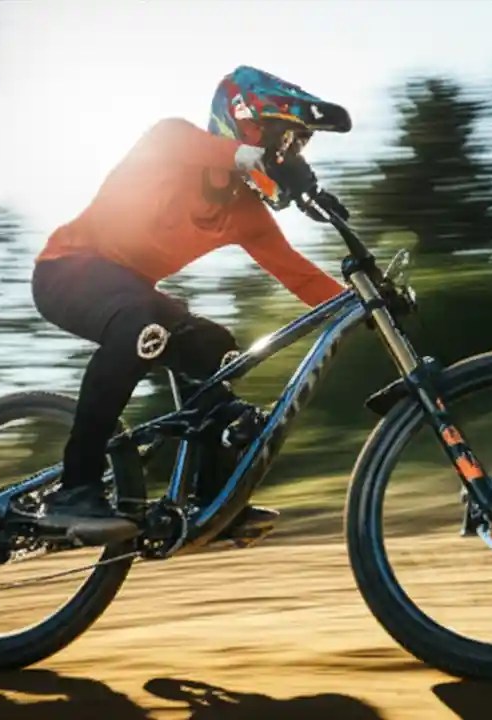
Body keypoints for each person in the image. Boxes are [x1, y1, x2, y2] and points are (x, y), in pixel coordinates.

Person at [30, 66, 352, 540]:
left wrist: (363, 302)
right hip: (67, 270)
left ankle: (213, 502)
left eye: (295, 148)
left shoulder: (245, 213)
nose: (287, 155)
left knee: (214, 347)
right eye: (282, 141)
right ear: (242, 123)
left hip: (131, 290)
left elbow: (299, 274)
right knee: (141, 324)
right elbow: (211, 150)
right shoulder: (171, 142)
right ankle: (74, 488)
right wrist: (254, 157)